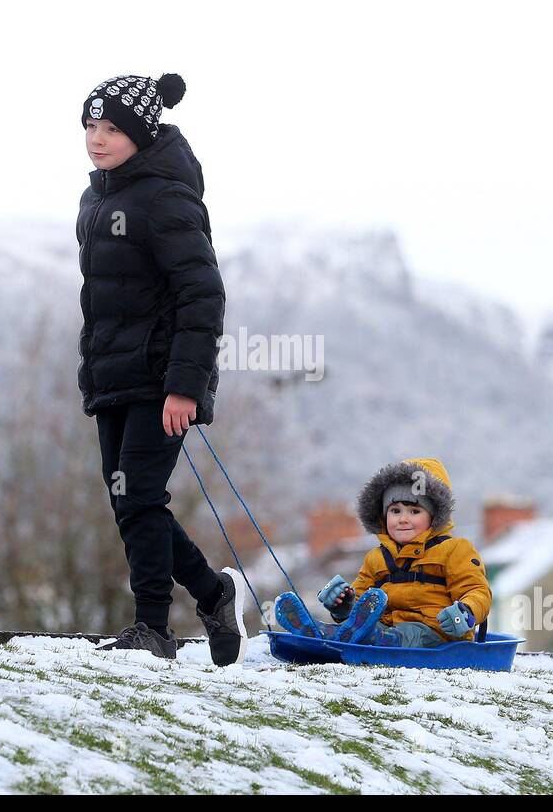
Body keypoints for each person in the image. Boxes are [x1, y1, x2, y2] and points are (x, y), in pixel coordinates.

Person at [76, 72, 246, 665]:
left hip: (161, 376)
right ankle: (211, 591)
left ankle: (152, 628)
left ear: (142, 133)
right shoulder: (96, 197)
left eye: (112, 128)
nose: (98, 139)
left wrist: (184, 387)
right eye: (91, 127)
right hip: (112, 378)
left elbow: (202, 295)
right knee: (129, 499)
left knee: (141, 496)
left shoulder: (166, 197)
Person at [275, 457, 491, 647]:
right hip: (385, 628)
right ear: (383, 515)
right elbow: (363, 600)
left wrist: (467, 611)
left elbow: (477, 591)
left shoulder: (454, 550)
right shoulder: (377, 558)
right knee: (370, 624)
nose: (403, 519)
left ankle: (368, 639)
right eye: (395, 511)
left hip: (438, 634)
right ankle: (324, 633)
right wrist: (344, 604)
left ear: (434, 516)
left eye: (414, 511)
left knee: (408, 633)